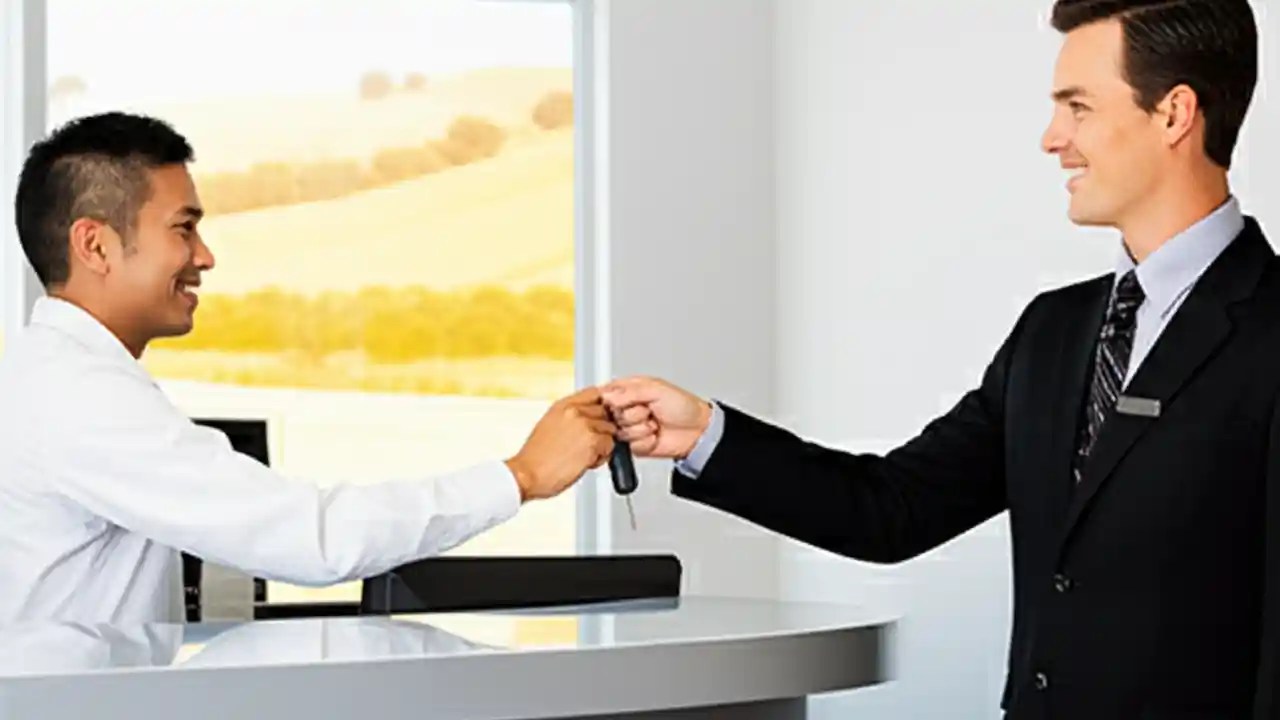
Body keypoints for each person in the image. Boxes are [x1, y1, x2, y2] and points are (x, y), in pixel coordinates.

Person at [604, 1, 1277, 717]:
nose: (1054, 139)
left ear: (1174, 113)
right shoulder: (1054, 331)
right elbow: (895, 508)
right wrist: (705, 434)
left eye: (1077, 107)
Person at [0, 112, 615, 625]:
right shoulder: (78, 396)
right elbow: (312, 538)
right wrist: (523, 475)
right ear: (95, 245)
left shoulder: (53, 378)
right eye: (183, 229)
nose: (205, 257)